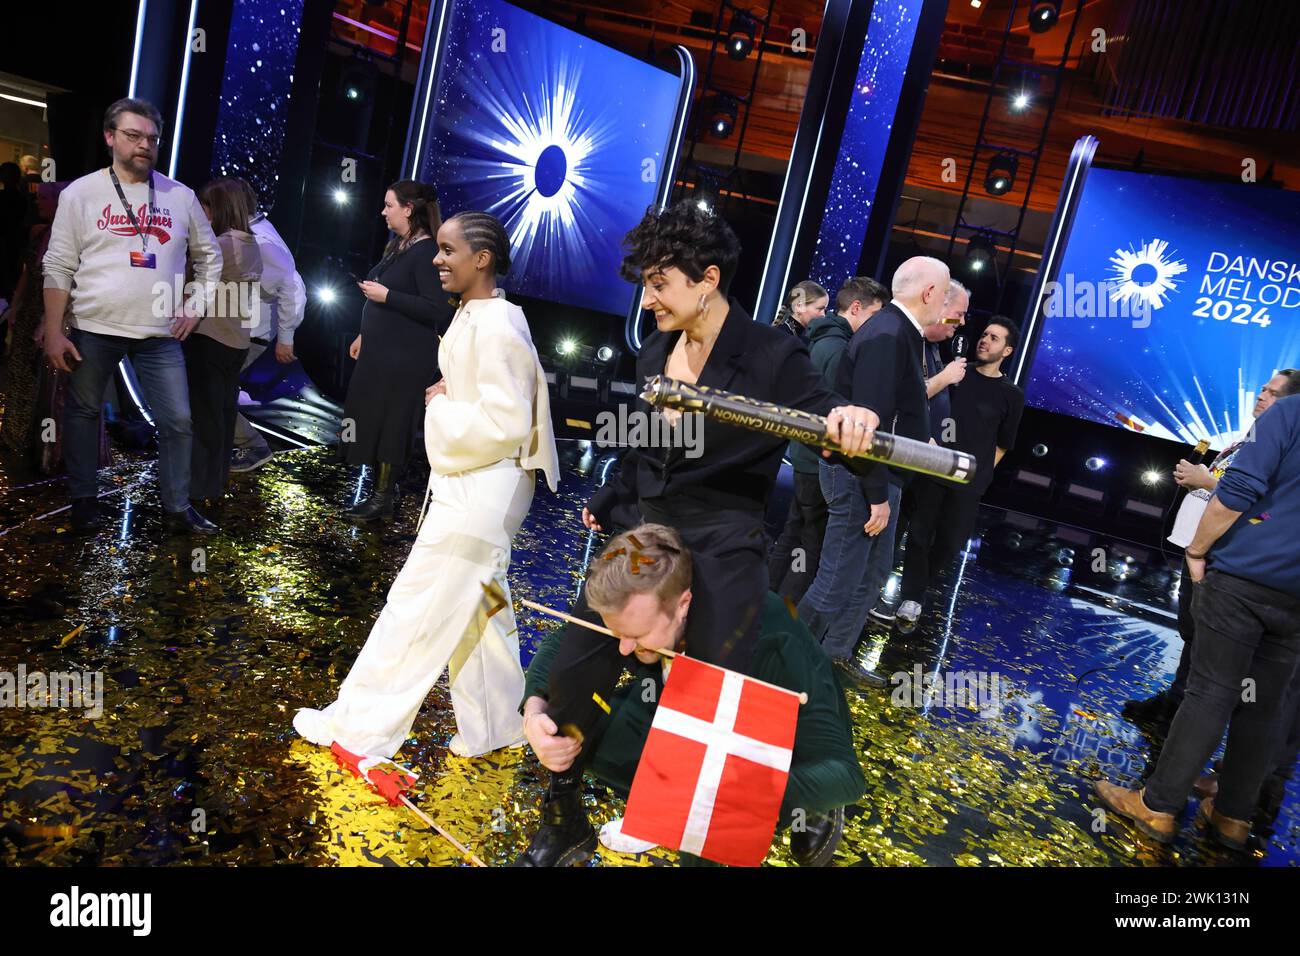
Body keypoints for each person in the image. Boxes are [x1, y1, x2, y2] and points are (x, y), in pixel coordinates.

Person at [532, 201, 878, 859]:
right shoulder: (655, 352)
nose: (648, 298)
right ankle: (564, 812)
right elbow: (643, 446)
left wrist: (849, 417)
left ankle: (713, 836)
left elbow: (823, 409)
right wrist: (610, 497)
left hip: (724, 538)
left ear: (708, 279)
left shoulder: (773, 353)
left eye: (659, 283)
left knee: (711, 699)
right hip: (646, 529)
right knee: (579, 661)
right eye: (645, 283)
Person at [294, 211, 559, 761]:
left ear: (481, 259)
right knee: (479, 608)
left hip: (482, 488)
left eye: (447, 250)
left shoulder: (498, 323)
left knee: (418, 604)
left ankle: (360, 727)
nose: (436, 259)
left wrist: (440, 408)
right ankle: (494, 726)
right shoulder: (481, 313)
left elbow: (504, 422)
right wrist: (452, 390)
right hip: (478, 482)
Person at [516, 524, 866, 867]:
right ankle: (663, 806)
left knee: (710, 814)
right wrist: (534, 713)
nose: (623, 646)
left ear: (684, 603)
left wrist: (737, 797)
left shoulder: (769, 637)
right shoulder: (632, 591)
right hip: (673, 703)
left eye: (636, 635)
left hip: (785, 744)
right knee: (571, 715)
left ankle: (812, 809)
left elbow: (846, 774)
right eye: (616, 631)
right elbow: (566, 647)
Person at [1096, 382, 1300, 850]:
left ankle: (1158, 805)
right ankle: (1233, 817)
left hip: (1246, 579)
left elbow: (1237, 491)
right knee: (1262, 708)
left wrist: (1197, 549)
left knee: (1210, 692)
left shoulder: (1289, 414)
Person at [41, 97, 223, 535]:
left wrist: (194, 309)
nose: (145, 145)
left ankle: (176, 506)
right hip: (93, 327)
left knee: (178, 420)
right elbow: (58, 264)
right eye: (133, 135)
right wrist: (52, 330)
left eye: (152, 138)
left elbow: (210, 257)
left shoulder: (180, 197)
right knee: (84, 414)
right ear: (110, 137)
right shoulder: (81, 193)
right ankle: (84, 499)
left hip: (159, 332)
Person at [1124, 368, 1300, 729]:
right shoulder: (1248, 437)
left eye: (1273, 393)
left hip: (1219, 554)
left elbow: (1258, 504)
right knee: (1192, 632)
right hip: (1199, 544)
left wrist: (1206, 481)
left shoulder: (1277, 445)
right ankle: (1175, 702)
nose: (1262, 396)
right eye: (1262, 388)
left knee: (1205, 638)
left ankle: (1183, 713)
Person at [797, 257, 947, 674]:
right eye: (947, 293)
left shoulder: (897, 333)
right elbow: (866, 426)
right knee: (836, 580)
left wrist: (919, 440)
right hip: (861, 476)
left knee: (873, 572)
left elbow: (890, 413)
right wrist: (877, 495)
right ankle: (783, 666)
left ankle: (834, 656)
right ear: (929, 293)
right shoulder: (889, 335)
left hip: (879, 477)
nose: (949, 306)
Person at [889, 317, 1024, 631]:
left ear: (1007, 350)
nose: (985, 340)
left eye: (994, 338)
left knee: (950, 542)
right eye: (985, 334)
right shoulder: (956, 374)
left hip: (969, 479)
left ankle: (916, 589)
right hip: (933, 466)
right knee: (920, 534)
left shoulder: (1011, 394)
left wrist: (983, 473)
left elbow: (1004, 443)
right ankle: (912, 597)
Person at [339, 179, 453, 521]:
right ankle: (381, 490)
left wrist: (386, 296)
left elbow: (437, 308)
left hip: (405, 357)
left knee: (392, 422)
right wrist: (365, 334)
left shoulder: (427, 252)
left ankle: (383, 497)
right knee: (371, 417)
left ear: (408, 209)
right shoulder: (399, 247)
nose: (383, 212)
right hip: (381, 352)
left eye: (390, 205)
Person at [768, 276, 887, 602]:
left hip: (806, 457)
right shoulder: (838, 349)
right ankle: (783, 616)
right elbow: (833, 414)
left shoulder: (821, 341)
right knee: (810, 548)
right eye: (876, 315)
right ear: (857, 307)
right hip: (817, 460)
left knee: (793, 536)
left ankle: (767, 605)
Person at [185, 179, 262, 507]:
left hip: (210, 338)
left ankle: (195, 490)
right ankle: (212, 487)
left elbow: (189, 283)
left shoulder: (221, 246)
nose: (201, 211)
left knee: (204, 419)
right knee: (222, 417)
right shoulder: (250, 243)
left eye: (206, 205)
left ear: (219, 208)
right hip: (235, 340)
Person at [228, 178, 306, 474]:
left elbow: (293, 287)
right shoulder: (249, 234)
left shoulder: (262, 242)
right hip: (240, 329)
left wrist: (286, 336)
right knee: (211, 391)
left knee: (211, 392)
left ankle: (252, 445)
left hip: (249, 333)